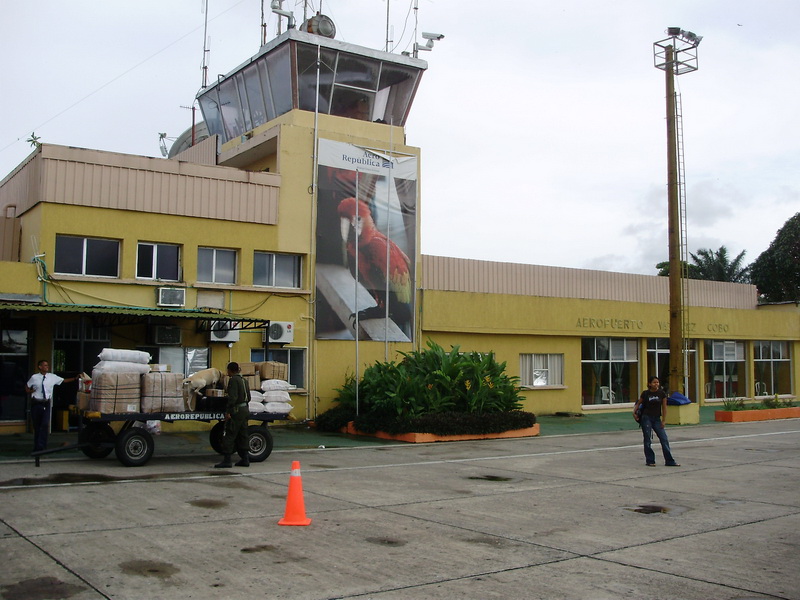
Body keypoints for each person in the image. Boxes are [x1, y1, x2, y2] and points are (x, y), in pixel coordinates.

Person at [25, 360, 78, 453]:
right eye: (45, 365)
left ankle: (42, 446)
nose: (47, 367)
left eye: (47, 365)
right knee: (37, 426)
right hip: (36, 403)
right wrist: (30, 391)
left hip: (46, 403)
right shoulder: (34, 377)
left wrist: (75, 378)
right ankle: (37, 446)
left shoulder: (51, 377)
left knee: (45, 424)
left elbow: (63, 380)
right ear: (40, 367)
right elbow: (27, 386)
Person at [633, 376, 680, 467]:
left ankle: (669, 461)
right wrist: (634, 413)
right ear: (649, 384)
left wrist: (664, 420)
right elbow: (638, 404)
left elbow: (664, 407)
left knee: (664, 439)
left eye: (657, 382)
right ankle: (650, 460)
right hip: (646, 418)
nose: (656, 384)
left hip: (657, 419)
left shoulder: (661, 393)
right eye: (654, 382)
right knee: (647, 439)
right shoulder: (645, 394)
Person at [214, 362, 251, 468]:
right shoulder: (244, 380)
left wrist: (228, 411)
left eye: (228, 370)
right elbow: (249, 397)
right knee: (243, 434)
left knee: (229, 433)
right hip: (245, 409)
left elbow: (232, 398)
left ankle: (227, 460)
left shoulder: (234, 380)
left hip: (236, 410)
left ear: (230, 370)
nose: (227, 372)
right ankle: (245, 458)